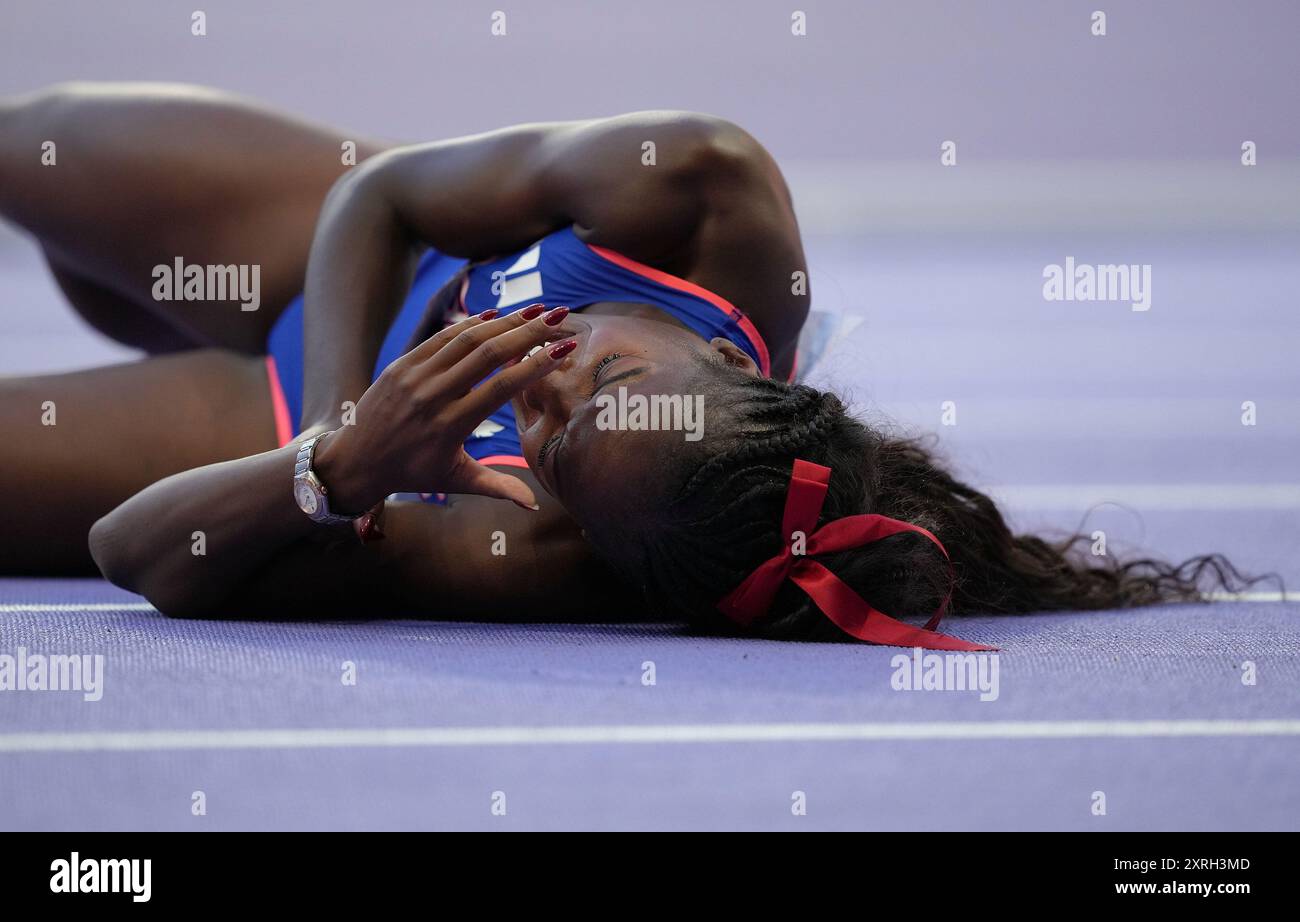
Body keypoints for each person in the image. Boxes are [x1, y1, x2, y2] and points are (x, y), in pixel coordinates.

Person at [0, 83, 1254, 646]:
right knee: (38, 145)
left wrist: (337, 460)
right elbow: (379, 196)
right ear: (730, 350)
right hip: (341, 255)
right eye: (604, 378)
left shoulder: (536, 549)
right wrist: (356, 395)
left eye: (555, 446)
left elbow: (136, 550)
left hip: (255, 415)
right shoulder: (704, 195)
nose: (542, 393)